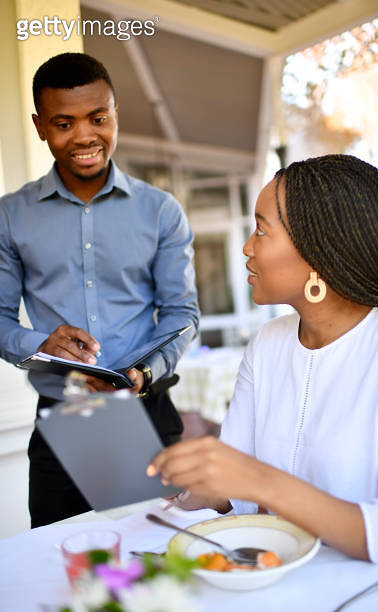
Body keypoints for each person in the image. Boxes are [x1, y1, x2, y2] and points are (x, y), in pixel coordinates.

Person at [148, 154, 378, 569]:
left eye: (261, 230)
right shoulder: (269, 342)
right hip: (267, 581)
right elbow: (235, 490)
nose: (247, 247)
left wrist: (259, 480)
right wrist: (180, 480)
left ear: (318, 249)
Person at [0, 52, 199, 528]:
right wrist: (38, 344)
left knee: (165, 562)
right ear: (40, 125)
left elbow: (183, 314)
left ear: (114, 113)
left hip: (150, 414)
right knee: (60, 573)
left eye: (98, 118)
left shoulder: (160, 211)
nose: (85, 136)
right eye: (64, 123)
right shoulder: (10, 216)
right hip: (62, 422)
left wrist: (143, 372)